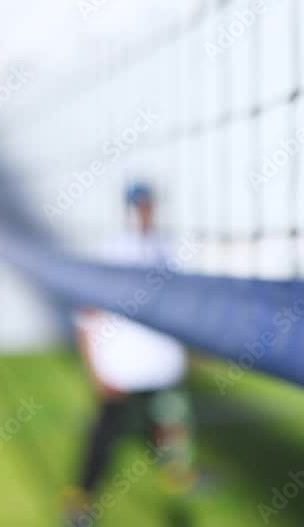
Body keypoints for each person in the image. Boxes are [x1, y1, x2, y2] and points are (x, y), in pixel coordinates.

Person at [64, 181, 197, 527]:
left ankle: (177, 475)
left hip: (159, 365)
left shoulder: (166, 248)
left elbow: (180, 307)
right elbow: (86, 315)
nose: (145, 211)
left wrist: (182, 355)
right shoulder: (111, 252)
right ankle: (80, 500)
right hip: (120, 367)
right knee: (106, 434)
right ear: (129, 209)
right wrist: (95, 369)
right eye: (139, 205)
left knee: (168, 422)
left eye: (149, 204)